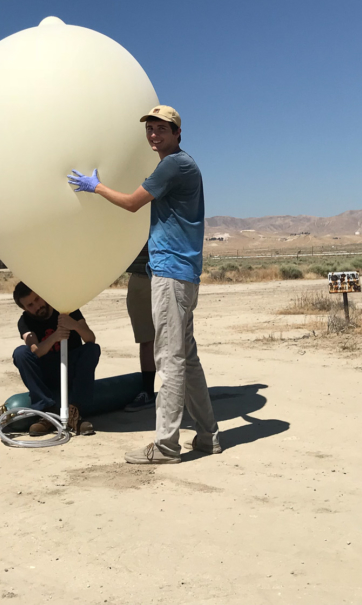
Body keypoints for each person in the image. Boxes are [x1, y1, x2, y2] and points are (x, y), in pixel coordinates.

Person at [68, 104, 219, 464]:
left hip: (171, 273)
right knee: (187, 358)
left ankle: (166, 446)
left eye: (161, 128)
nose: (153, 134)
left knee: (169, 358)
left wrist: (95, 186)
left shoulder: (173, 165)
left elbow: (133, 203)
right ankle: (208, 436)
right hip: (182, 273)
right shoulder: (183, 164)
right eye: (149, 128)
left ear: (177, 133)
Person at [11, 282, 100, 435]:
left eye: (37, 299)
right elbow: (35, 351)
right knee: (21, 353)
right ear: (25, 309)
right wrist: (55, 337)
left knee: (92, 349)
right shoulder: (25, 321)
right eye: (30, 305)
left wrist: (74, 325)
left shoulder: (66, 309)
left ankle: (75, 413)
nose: (37, 306)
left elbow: (90, 339)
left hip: (71, 370)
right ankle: (46, 413)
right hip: (48, 373)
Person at [124, 241, 157, 412]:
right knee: (145, 338)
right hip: (140, 275)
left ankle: (182, 392)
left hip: (168, 274)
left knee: (176, 337)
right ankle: (148, 391)